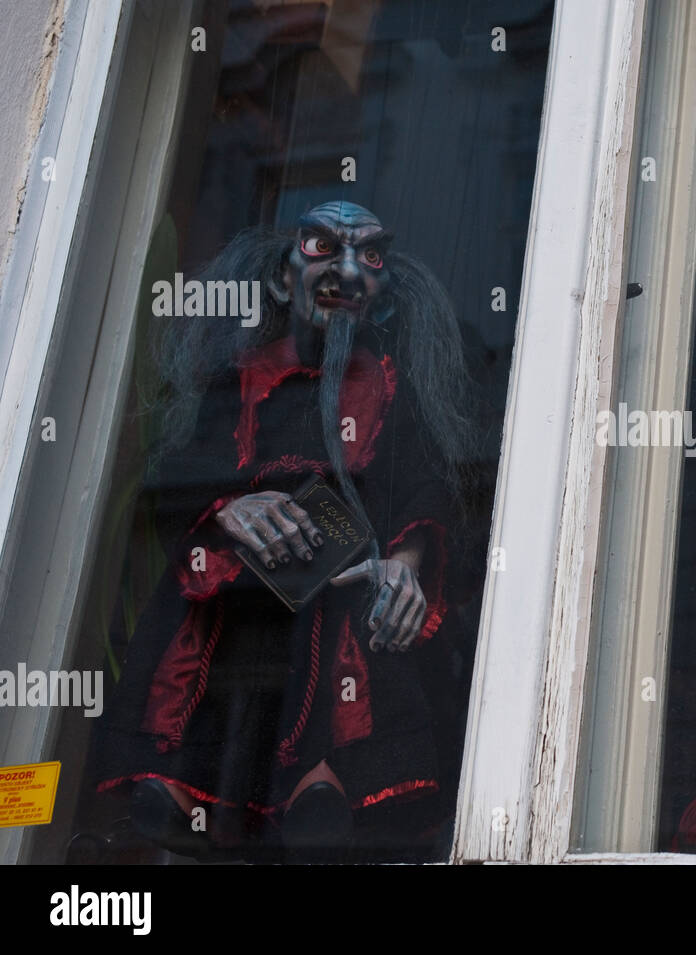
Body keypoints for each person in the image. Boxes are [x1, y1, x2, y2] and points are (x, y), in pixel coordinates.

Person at [95, 201, 478, 858]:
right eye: (323, 246)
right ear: (281, 277)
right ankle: (192, 783)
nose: (348, 271)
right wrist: (228, 509)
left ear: (382, 300)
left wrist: (409, 561)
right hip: (239, 601)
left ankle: (324, 782)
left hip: (341, 603)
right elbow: (185, 472)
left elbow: (422, 485)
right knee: (228, 664)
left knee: (339, 646)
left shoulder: (391, 391)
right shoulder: (236, 382)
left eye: (371, 256)